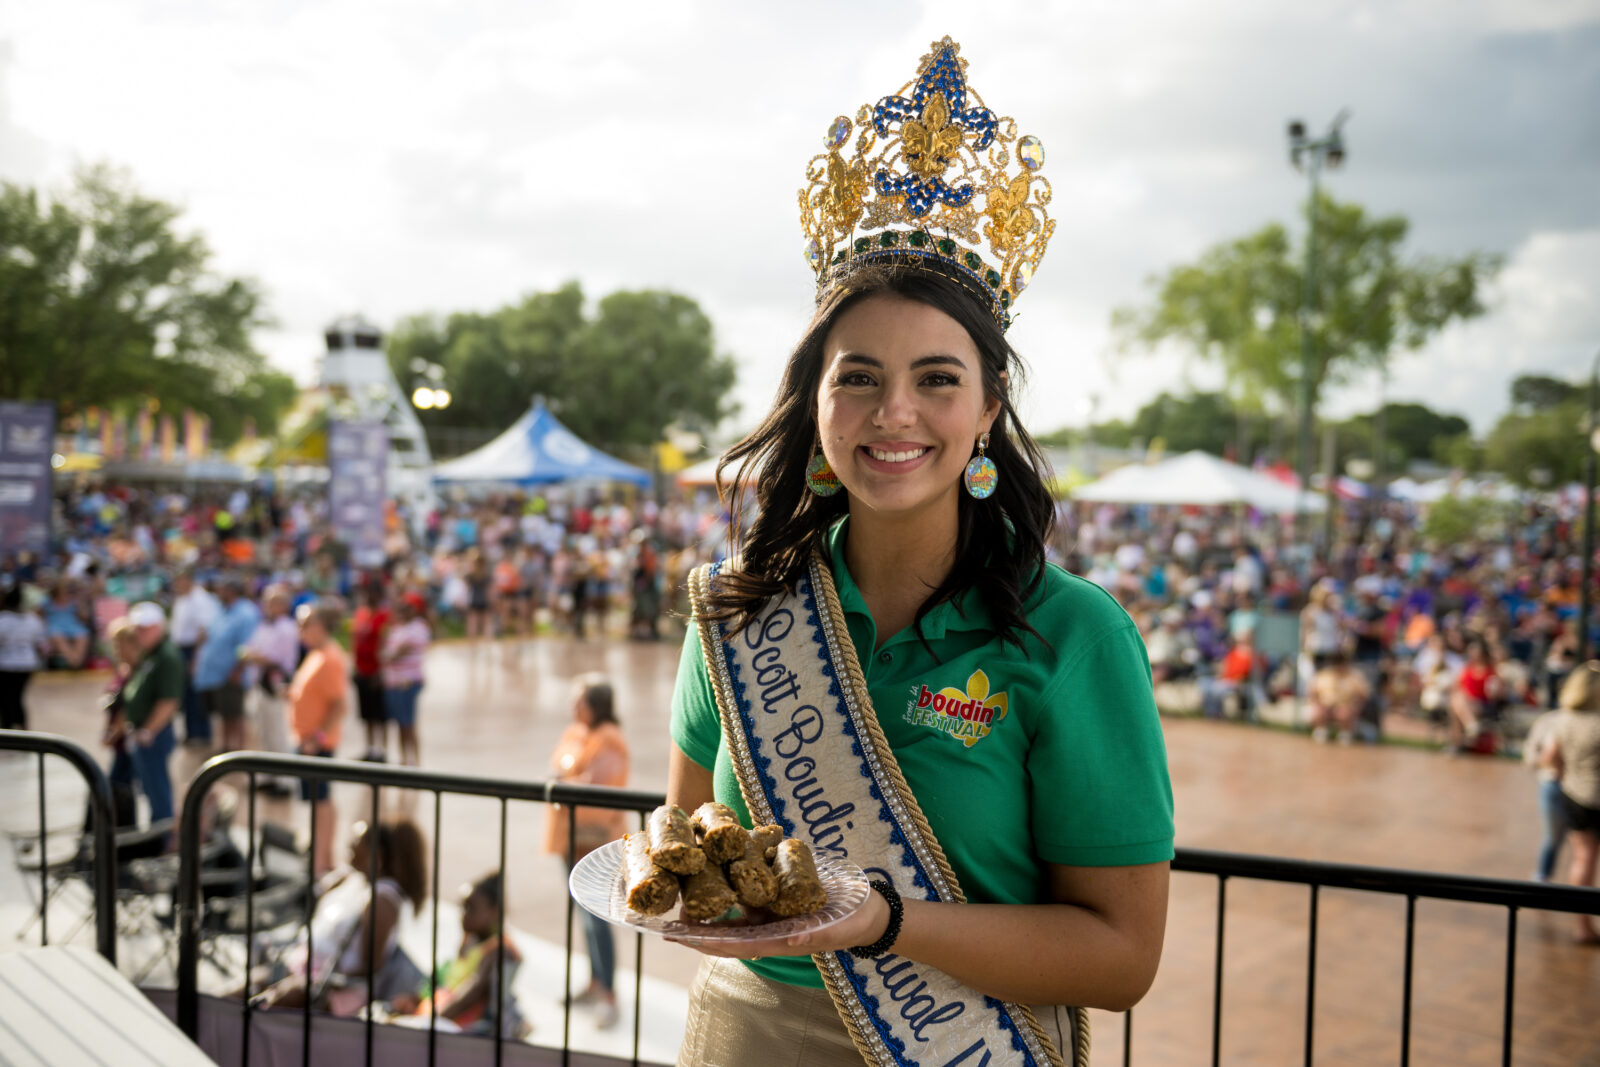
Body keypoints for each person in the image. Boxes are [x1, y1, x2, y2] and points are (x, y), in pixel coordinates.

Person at [666, 38, 1172, 1066]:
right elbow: (687, 838)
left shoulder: (1072, 633)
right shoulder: (737, 610)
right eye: (857, 376)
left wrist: (882, 919)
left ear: (988, 410)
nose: (893, 412)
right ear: (814, 405)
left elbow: (1120, 955)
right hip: (745, 1036)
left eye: (937, 377)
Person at [254, 815, 430, 1011]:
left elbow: (369, 968)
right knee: (247, 985)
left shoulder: (382, 900)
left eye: (357, 841)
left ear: (376, 855)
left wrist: (319, 980)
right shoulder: (354, 879)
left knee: (269, 1000)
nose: (350, 846)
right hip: (302, 969)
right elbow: (311, 899)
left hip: (334, 990)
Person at [543, 673, 629, 1029]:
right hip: (571, 836)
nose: (572, 706)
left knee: (598, 918)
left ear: (596, 705)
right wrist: (565, 781)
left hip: (594, 840)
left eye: (578, 700)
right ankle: (594, 982)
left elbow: (597, 788)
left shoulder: (610, 740)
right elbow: (558, 768)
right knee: (584, 916)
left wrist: (564, 783)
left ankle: (609, 993)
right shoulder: (576, 733)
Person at [389, 872, 528, 1039]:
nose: (463, 914)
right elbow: (446, 982)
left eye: (470, 908)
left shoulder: (499, 950)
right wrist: (415, 1001)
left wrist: (431, 1020)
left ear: (494, 912)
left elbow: (471, 994)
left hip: (462, 1027)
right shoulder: (470, 941)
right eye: (462, 907)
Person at [1537, 663, 1600, 944]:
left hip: (1573, 794)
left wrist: (1568, 774)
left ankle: (1582, 925)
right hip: (1594, 795)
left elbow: (1550, 757)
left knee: (1582, 859)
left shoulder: (1564, 718)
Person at [104, 603, 182, 830]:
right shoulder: (150, 654)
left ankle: (162, 839)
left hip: (151, 735)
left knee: (156, 792)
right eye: (137, 628)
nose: (140, 633)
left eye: (146, 628)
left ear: (159, 627)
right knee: (137, 787)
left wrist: (148, 730)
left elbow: (169, 701)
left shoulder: (166, 657)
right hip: (139, 732)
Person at [288, 600, 350, 876]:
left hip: (317, 744)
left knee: (321, 802)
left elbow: (339, 704)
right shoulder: (315, 653)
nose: (300, 629)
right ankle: (319, 855)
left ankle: (322, 861)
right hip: (306, 740)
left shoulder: (329, 657)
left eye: (306, 623)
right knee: (316, 801)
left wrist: (317, 736)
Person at [241, 584, 300, 795]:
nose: (268, 605)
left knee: (278, 733)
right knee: (263, 732)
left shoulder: (286, 628)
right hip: (260, 683)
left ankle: (285, 781)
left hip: (275, 685)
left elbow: (273, 658)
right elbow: (250, 649)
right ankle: (269, 776)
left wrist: (253, 656)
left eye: (273, 601)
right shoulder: (264, 625)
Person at [192, 575, 261, 752]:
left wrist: (238, 671)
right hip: (217, 674)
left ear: (231, 591)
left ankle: (239, 750)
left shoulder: (246, 612)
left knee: (235, 715)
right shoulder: (222, 609)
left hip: (231, 674)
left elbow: (247, 646)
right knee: (224, 714)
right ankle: (226, 747)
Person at [169, 570, 219, 745]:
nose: (177, 584)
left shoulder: (200, 599)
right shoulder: (183, 598)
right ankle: (191, 732)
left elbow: (203, 632)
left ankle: (201, 733)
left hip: (194, 650)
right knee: (186, 694)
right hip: (182, 649)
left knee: (195, 694)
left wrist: (196, 658)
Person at [380, 592, 430, 767]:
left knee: (409, 724)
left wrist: (388, 655)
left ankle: (415, 761)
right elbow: (385, 652)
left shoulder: (419, 627)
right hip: (394, 682)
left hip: (408, 683)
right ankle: (403, 760)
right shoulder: (398, 628)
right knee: (400, 725)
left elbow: (395, 653)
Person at [350, 582, 392, 761]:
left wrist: (382, 671)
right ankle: (369, 749)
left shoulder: (385, 617)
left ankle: (382, 750)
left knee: (380, 716)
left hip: (377, 671)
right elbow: (355, 641)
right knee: (366, 715)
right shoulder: (361, 615)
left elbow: (386, 642)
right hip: (362, 670)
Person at [0, 584, 47, 729]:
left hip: (6, 666)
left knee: (7, 699)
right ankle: (22, 728)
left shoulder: (3, 620)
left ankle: (9, 731)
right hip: (26, 665)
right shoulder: (33, 620)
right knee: (17, 698)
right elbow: (41, 645)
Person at [1307, 650, 1372, 744]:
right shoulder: (1324, 674)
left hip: (1345, 708)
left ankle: (1345, 734)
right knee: (1318, 713)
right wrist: (1317, 705)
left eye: (1341, 661)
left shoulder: (1355, 677)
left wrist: (1354, 708)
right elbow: (1313, 692)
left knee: (1343, 714)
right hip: (1325, 706)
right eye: (1337, 662)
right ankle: (1320, 732)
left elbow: (1363, 695)